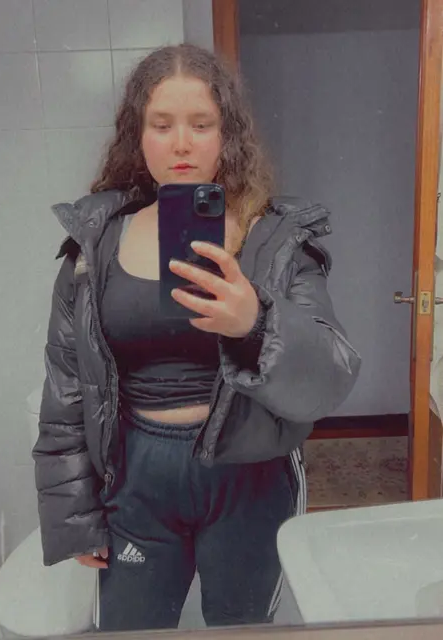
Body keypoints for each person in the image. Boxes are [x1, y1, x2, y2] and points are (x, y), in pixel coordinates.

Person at [33, 43, 361, 631]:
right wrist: (73, 516)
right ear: (138, 136)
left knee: (241, 626)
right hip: (135, 477)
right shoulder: (96, 244)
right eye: (162, 125)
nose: (181, 143)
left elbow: (330, 376)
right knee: (131, 627)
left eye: (201, 124)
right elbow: (66, 388)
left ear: (225, 134)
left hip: (251, 474)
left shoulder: (276, 240)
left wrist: (255, 322)